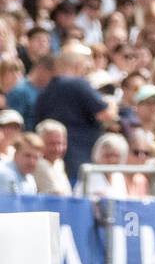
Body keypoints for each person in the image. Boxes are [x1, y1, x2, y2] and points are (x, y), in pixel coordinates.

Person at [33, 43, 116, 182]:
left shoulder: (44, 91)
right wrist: (111, 102)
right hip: (80, 160)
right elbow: (106, 114)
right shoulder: (78, 84)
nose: (87, 71)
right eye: (85, 67)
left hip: (58, 160)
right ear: (78, 65)